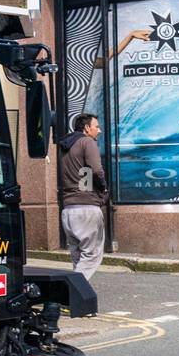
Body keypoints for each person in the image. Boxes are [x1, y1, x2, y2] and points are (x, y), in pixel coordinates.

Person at [58, 113, 107, 279]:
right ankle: (72, 292)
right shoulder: (87, 142)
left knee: (78, 257)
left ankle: (76, 298)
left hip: (68, 210)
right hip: (87, 208)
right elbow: (97, 171)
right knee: (91, 255)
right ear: (87, 128)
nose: (99, 131)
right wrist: (104, 189)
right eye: (96, 127)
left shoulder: (66, 146)